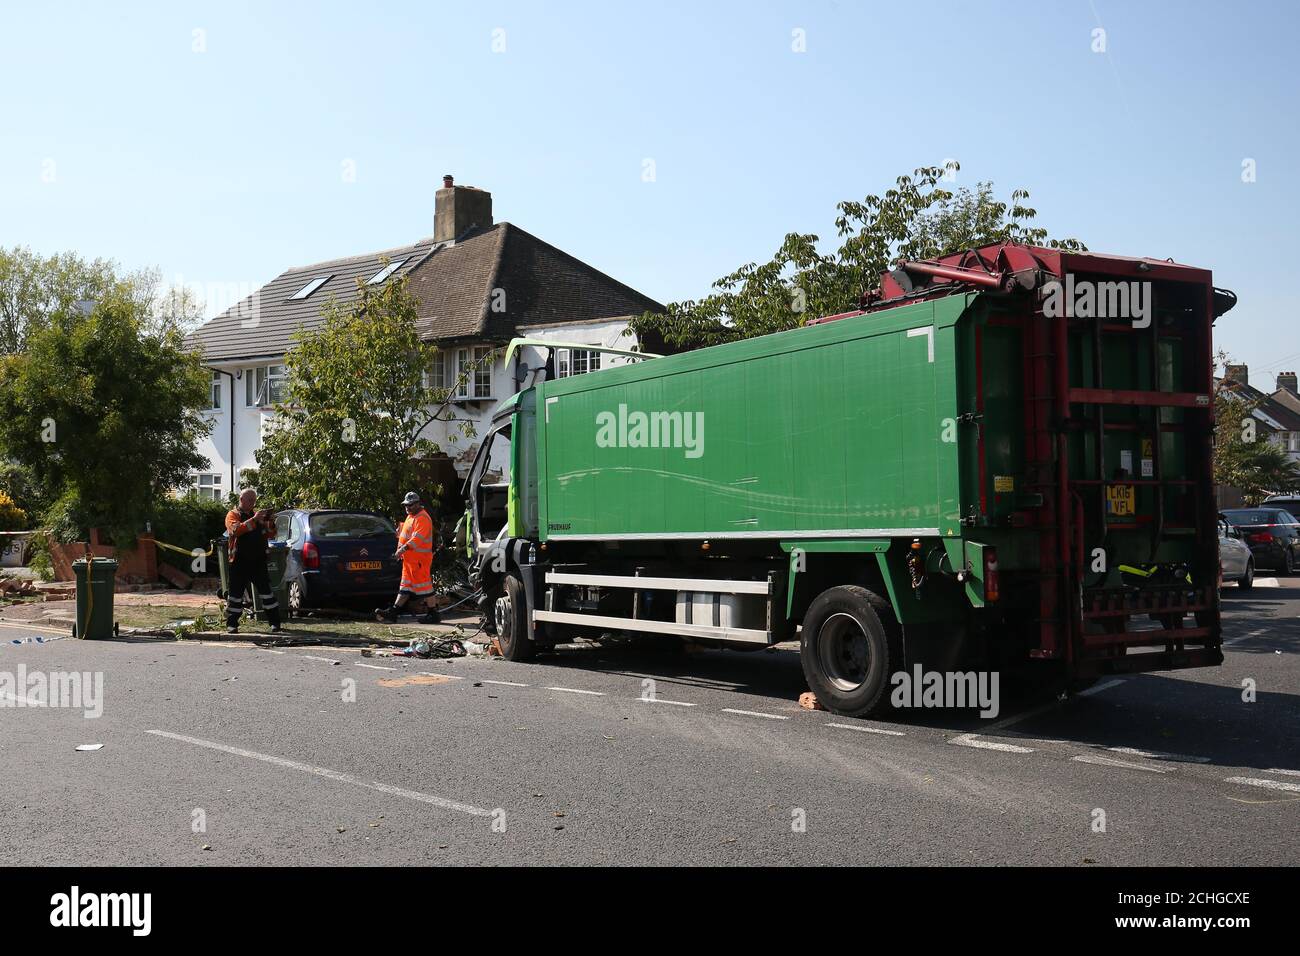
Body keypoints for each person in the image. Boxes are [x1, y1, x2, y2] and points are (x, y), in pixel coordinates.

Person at [223, 488, 283, 635]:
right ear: (241, 499)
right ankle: (232, 625)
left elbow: (271, 534)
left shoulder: (257, 516)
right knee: (235, 595)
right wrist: (255, 519)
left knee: (266, 593)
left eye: (254, 500)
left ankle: (275, 623)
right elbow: (235, 530)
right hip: (239, 561)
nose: (253, 503)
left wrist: (270, 521)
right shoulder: (233, 515)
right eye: (250, 500)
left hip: (258, 561)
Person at [375, 491, 440, 624]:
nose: (407, 507)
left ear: (417, 504)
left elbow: (417, 539)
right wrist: (401, 552)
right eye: (406, 505)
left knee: (426, 587)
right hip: (410, 561)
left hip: (419, 561)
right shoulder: (411, 517)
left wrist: (401, 550)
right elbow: (405, 536)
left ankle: (433, 613)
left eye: (410, 505)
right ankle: (393, 612)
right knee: (405, 587)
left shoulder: (423, 518)